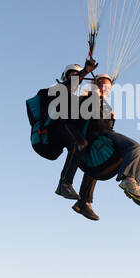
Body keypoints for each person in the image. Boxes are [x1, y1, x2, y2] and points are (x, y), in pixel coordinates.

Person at [70, 73, 140, 220]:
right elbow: (94, 122)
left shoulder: (102, 103)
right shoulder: (87, 99)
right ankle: (128, 179)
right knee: (134, 148)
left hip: (98, 144)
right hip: (98, 136)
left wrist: (110, 117)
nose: (106, 89)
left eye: (108, 88)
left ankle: (83, 202)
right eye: (103, 86)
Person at [43, 59, 97, 200]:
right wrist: (84, 71)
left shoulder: (74, 98)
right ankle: (64, 184)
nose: (75, 77)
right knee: (80, 143)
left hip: (70, 130)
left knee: (92, 152)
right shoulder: (57, 89)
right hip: (57, 127)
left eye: (77, 75)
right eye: (72, 74)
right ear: (65, 77)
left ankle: (85, 202)